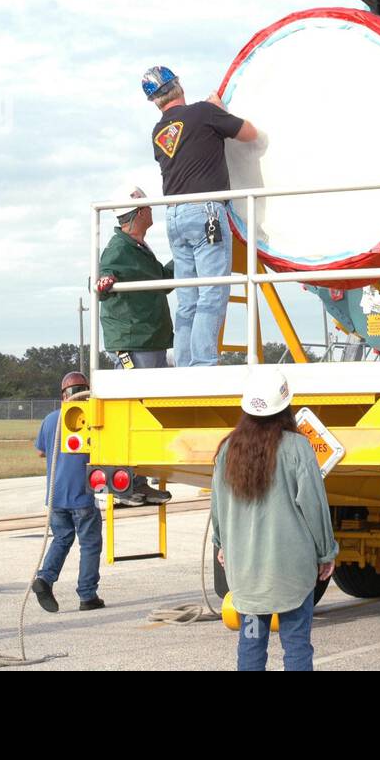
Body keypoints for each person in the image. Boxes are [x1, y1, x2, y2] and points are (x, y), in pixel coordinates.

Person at [209, 369, 338, 671]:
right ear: (285, 406)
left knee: (251, 644)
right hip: (291, 574)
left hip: (247, 573)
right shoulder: (297, 447)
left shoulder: (228, 450)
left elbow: (217, 506)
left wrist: (221, 543)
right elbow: (314, 507)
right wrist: (326, 553)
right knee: (296, 647)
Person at [142, 65, 261, 368]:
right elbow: (250, 134)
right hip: (206, 211)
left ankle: (185, 365)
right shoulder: (203, 113)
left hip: (175, 215)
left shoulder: (158, 133)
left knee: (188, 299)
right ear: (178, 84)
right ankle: (203, 364)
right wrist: (219, 110)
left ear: (155, 101)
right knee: (212, 291)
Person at [95, 185, 175, 506]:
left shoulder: (140, 249)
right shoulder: (119, 248)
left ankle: (138, 482)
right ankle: (125, 485)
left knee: (147, 412)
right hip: (134, 342)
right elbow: (102, 277)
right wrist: (104, 283)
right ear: (140, 213)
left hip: (150, 339)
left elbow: (162, 281)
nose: (153, 211)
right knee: (133, 410)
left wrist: (187, 258)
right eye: (149, 207)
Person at [32, 371, 104, 613]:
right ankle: (87, 595)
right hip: (81, 496)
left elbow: (41, 452)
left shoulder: (50, 419)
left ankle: (45, 579)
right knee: (90, 544)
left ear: (63, 395)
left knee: (62, 539)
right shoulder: (90, 418)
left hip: (55, 497)